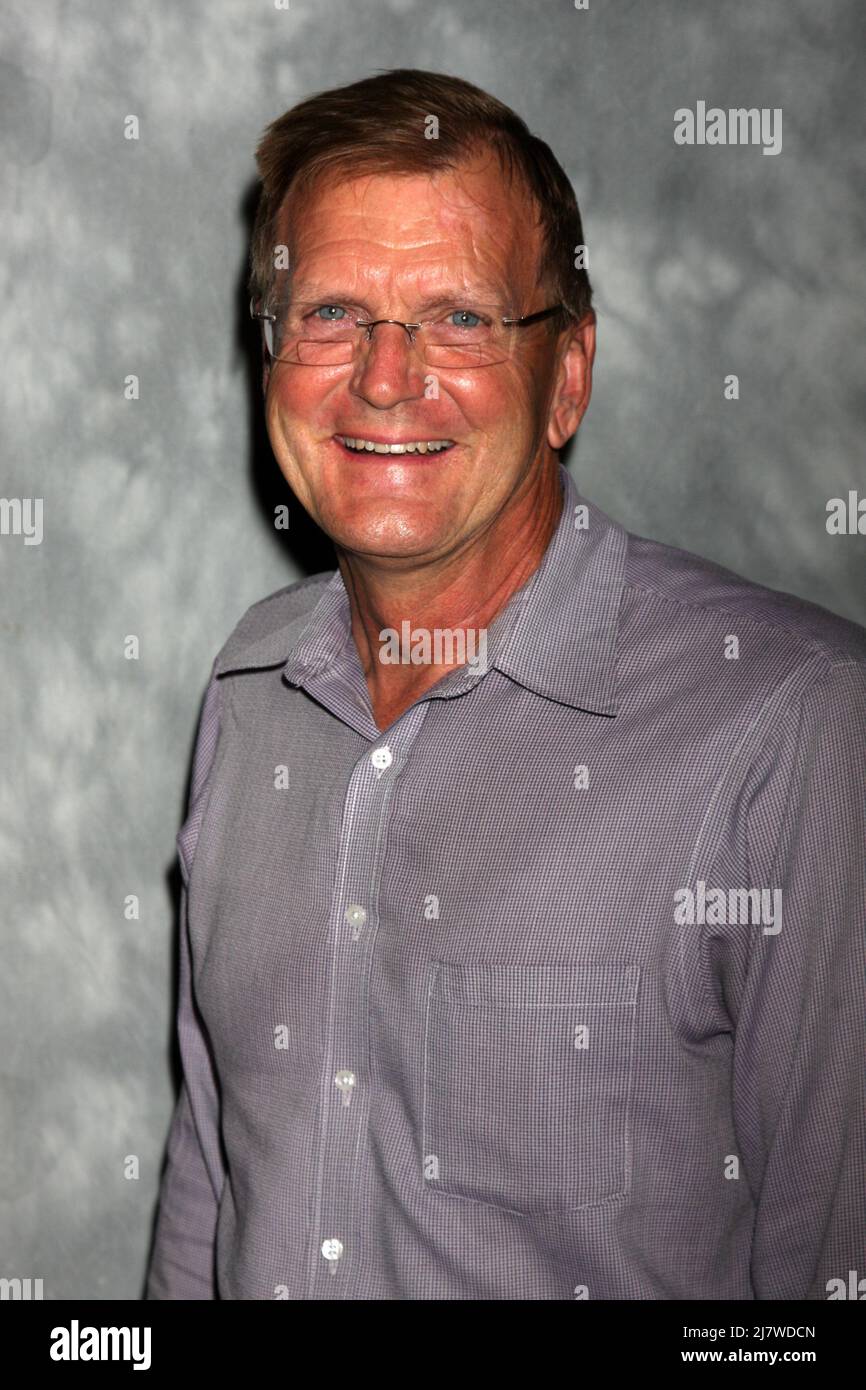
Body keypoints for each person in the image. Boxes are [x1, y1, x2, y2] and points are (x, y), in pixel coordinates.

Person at [146, 68, 866, 1300]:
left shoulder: (792, 726)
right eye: (331, 313)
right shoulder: (247, 696)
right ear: (269, 355)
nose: (384, 377)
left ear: (566, 377)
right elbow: (206, 1192)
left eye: (460, 319)